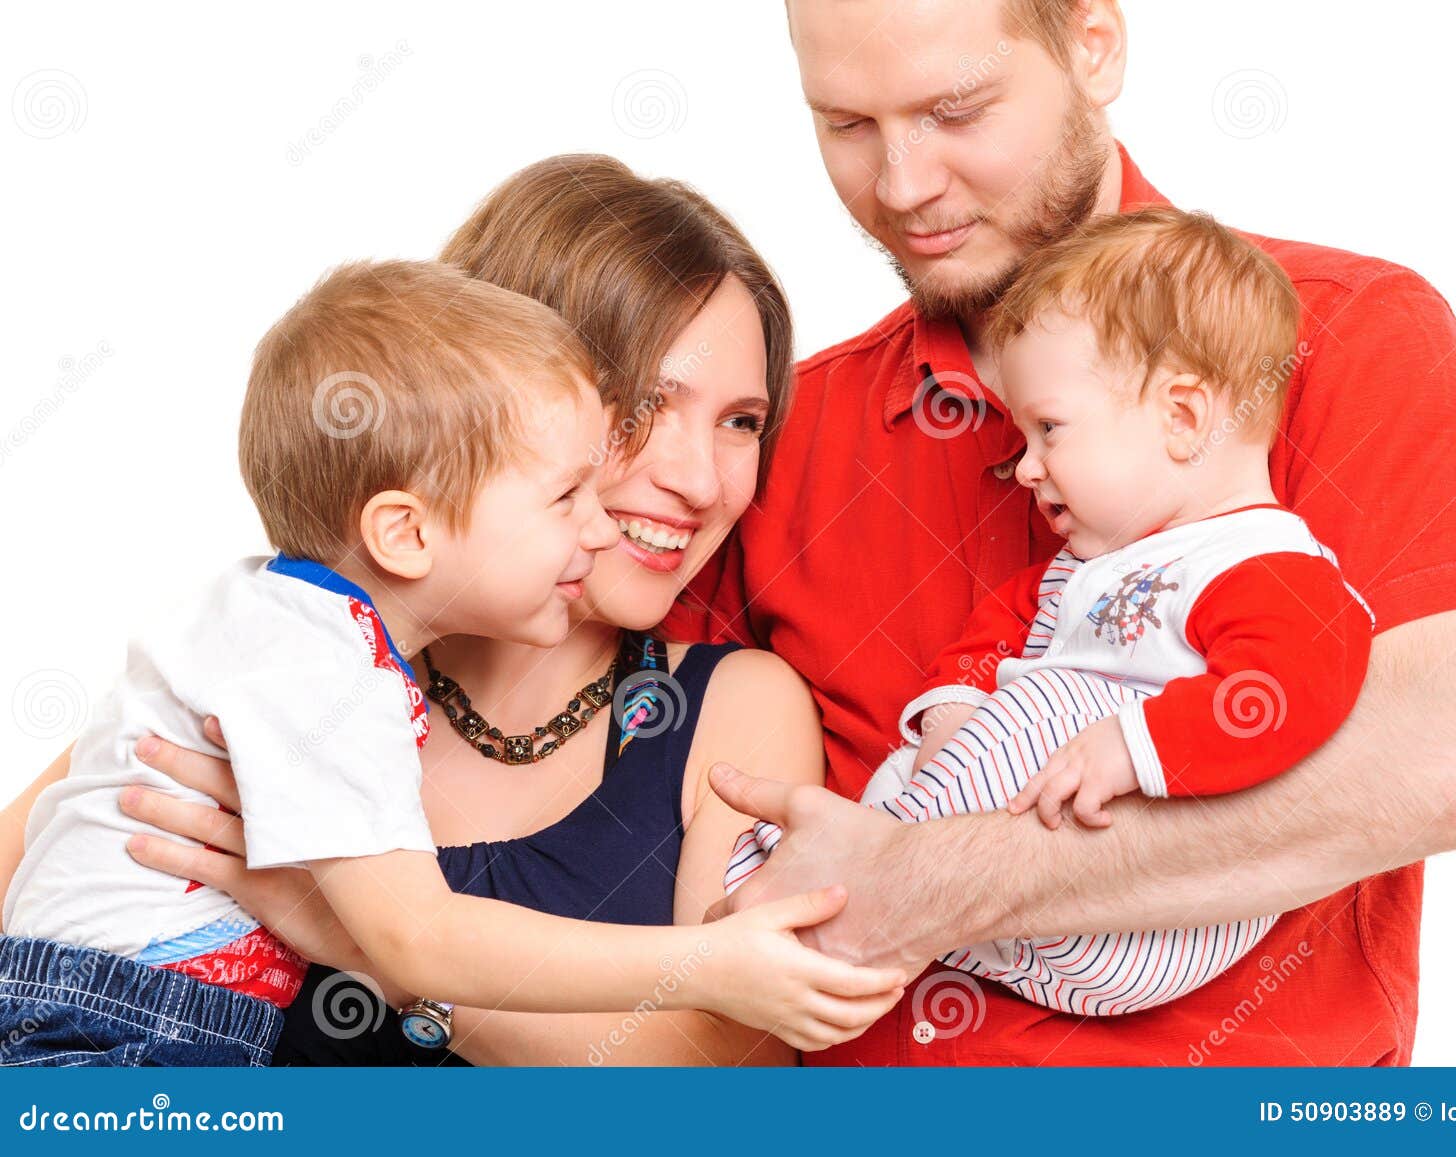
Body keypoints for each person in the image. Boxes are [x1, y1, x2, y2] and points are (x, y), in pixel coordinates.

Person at [679, 0, 1456, 1065]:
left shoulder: (1345, 333)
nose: (903, 185)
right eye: (845, 125)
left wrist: (930, 880)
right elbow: (598, 765)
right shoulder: (775, 431)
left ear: (1093, 46)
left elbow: (1454, 757)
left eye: (955, 111)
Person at [0, 156, 860, 1066]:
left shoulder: (734, 711)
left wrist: (355, 944)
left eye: (742, 421)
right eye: (643, 407)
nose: (701, 481)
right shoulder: (285, 657)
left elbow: (725, 1100)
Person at [725, 207, 1373, 1018]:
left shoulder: (1259, 562)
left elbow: (1291, 690)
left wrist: (1131, 745)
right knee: (960, 727)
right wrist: (953, 710)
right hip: (1029, 915)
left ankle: (841, 874)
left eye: (1050, 430)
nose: (1026, 467)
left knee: (1050, 702)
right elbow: (1002, 627)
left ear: (1183, 420)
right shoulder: (1088, 566)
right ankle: (828, 894)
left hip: (1148, 923)